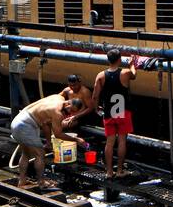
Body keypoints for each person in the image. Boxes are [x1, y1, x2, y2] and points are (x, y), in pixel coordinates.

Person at [9, 94, 85, 190]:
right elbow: (58, 134)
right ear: (67, 103)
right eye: (70, 110)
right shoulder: (57, 113)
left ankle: (22, 181)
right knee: (40, 154)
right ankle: (41, 183)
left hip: (18, 120)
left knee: (26, 153)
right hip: (25, 125)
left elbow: (46, 124)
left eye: (73, 112)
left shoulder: (58, 97)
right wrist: (77, 140)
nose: (69, 113)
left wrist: (49, 142)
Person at [90, 49, 138, 179]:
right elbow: (134, 74)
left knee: (109, 142)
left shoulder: (100, 75)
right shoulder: (125, 73)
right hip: (123, 110)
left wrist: (96, 108)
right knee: (122, 141)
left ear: (108, 60)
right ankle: (120, 170)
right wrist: (132, 63)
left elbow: (95, 96)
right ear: (119, 59)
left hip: (109, 111)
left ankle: (109, 172)